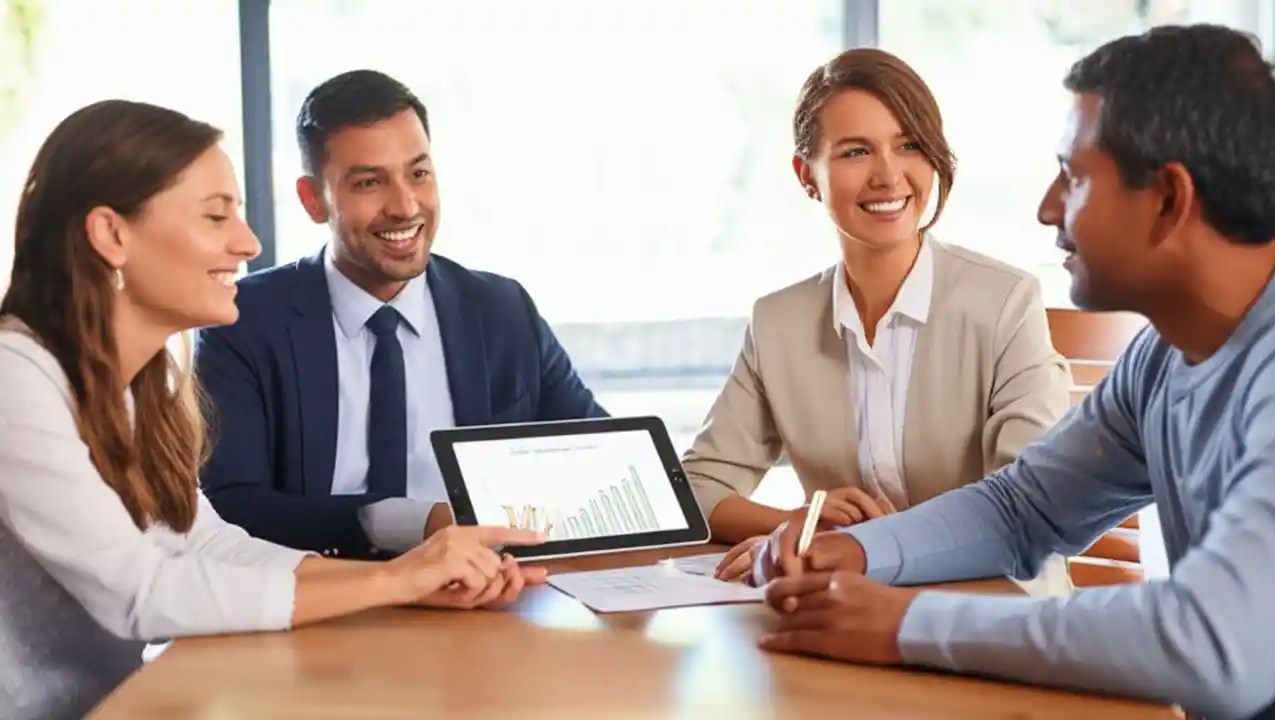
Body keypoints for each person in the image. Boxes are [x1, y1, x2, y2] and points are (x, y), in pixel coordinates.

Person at [754, 24, 1275, 720]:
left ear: (1168, 199)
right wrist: (851, 551)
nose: (1047, 209)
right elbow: (1024, 507)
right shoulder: (1161, 359)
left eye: (1075, 176)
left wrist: (906, 626)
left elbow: (1215, 649)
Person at [0, 99, 550, 720]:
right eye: (216, 216)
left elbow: (208, 545)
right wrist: (396, 582)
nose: (248, 242)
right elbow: (139, 592)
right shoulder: (14, 376)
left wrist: (420, 581)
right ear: (111, 235)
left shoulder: (133, 385)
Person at [681, 47, 1072, 587]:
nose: (888, 176)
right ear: (806, 174)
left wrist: (862, 547)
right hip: (846, 607)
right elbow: (697, 486)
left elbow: (1026, 505)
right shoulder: (778, 322)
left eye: (909, 145)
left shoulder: (1006, 303)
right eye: (855, 152)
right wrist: (799, 528)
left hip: (993, 606)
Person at [194, 70, 606, 560]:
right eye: (370, 182)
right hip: (321, 598)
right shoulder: (245, 320)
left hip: (486, 597)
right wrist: (423, 523)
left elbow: (600, 466)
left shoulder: (501, 309)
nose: (405, 206)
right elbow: (233, 506)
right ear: (313, 200)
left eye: (418, 173)